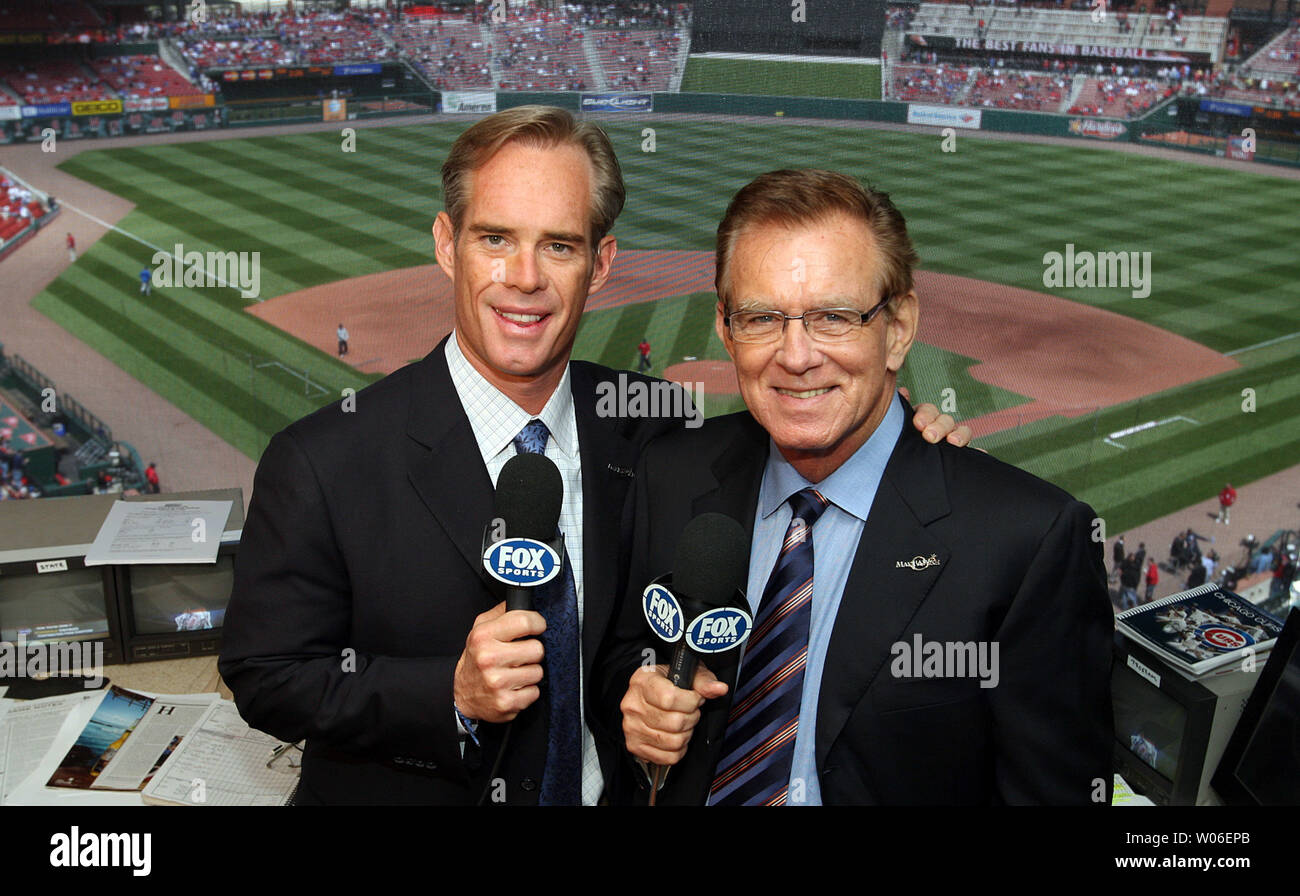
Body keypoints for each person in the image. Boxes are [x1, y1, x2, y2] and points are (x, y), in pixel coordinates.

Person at [220, 111, 969, 806]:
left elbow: (806, 421)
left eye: (560, 245)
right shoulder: (324, 457)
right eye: (495, 239)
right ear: (447, 245)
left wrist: (904, 434)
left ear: (601, 263)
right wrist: (446, 693)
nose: (525, 278)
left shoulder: (655, 428)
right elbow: (265, 675)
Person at [605, 169, 1113, 806]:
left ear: (898, 327)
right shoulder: (672, 473)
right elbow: (623, 655)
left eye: (834, 317)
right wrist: (639, 691)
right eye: (762, 318)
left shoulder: (1026, 541)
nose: (795, 356)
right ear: (726, 328)